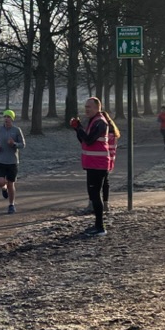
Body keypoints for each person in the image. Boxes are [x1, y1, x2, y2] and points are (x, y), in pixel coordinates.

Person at [69, 96, 112, 236]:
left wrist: (79, 127)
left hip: (98, 164)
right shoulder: (93, 121)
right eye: (85, 107)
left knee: (95, 195)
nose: (86, 109)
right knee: (93, 195)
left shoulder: (100, 122)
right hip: (92, 163)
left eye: (89, 107)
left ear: (97, 108)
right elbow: (83, 140)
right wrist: (77, 129)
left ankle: (100, 227)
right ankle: (98, 225)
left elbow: (89, 139)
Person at [0, 108, 26, 213]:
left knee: (11, 184)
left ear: (12, 119)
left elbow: (23, 145)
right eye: (5, 117)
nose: (6, 119)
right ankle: (4, 188)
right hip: (1, 160)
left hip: (12, 161)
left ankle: (11, 205)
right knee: (0, 182)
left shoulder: (17, 130)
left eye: (8, 117)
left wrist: (14, 144)